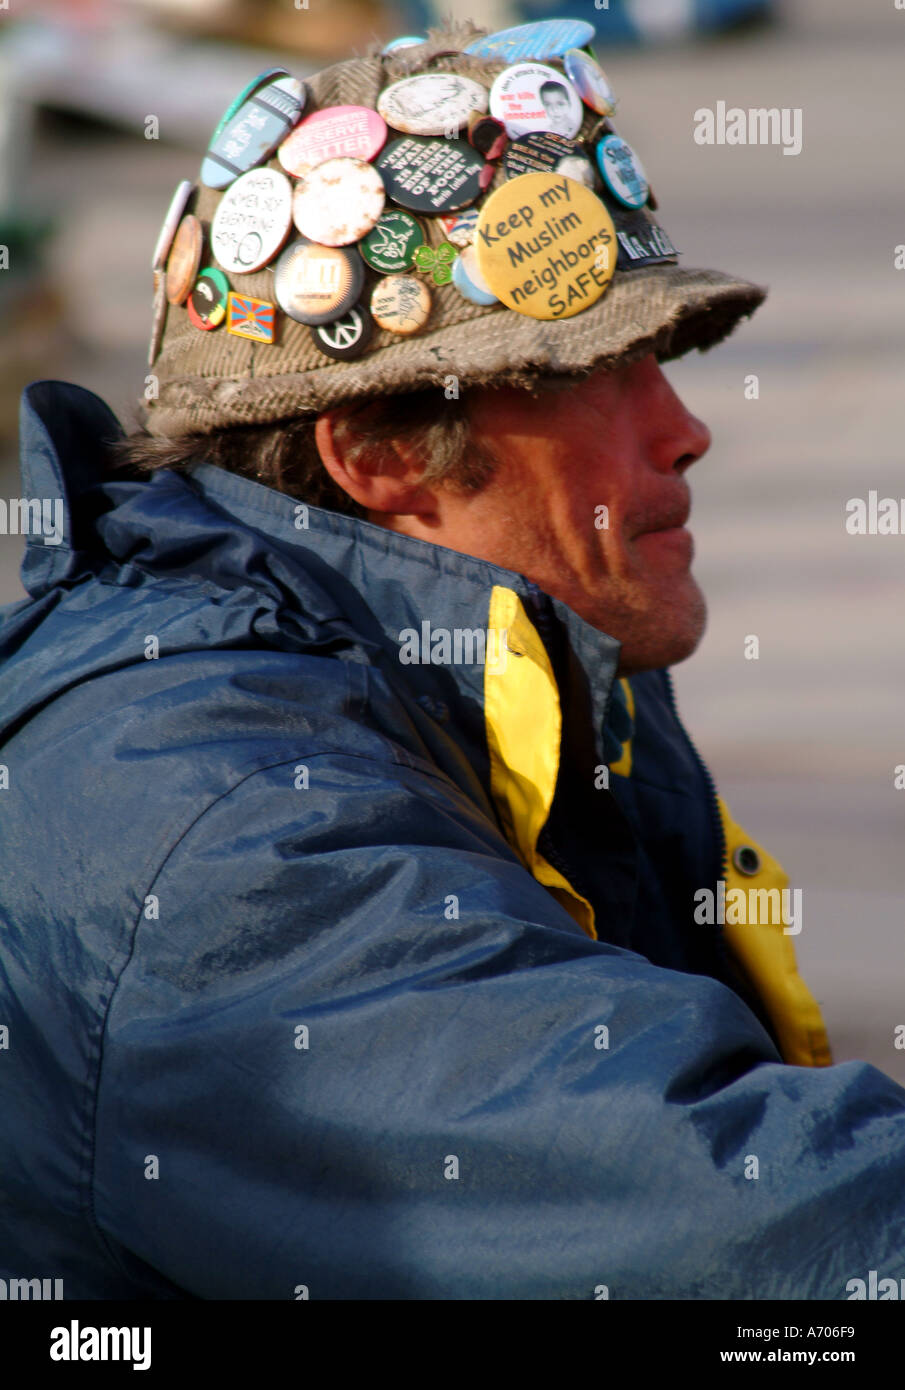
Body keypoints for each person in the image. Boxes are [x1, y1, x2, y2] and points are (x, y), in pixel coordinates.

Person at [1, 20, 904, 1302]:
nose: (685, 428)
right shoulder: (231, 837)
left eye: (662, 359)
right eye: (600, 374)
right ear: (376, 455)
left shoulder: (527, 657)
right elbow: (747, 1218)